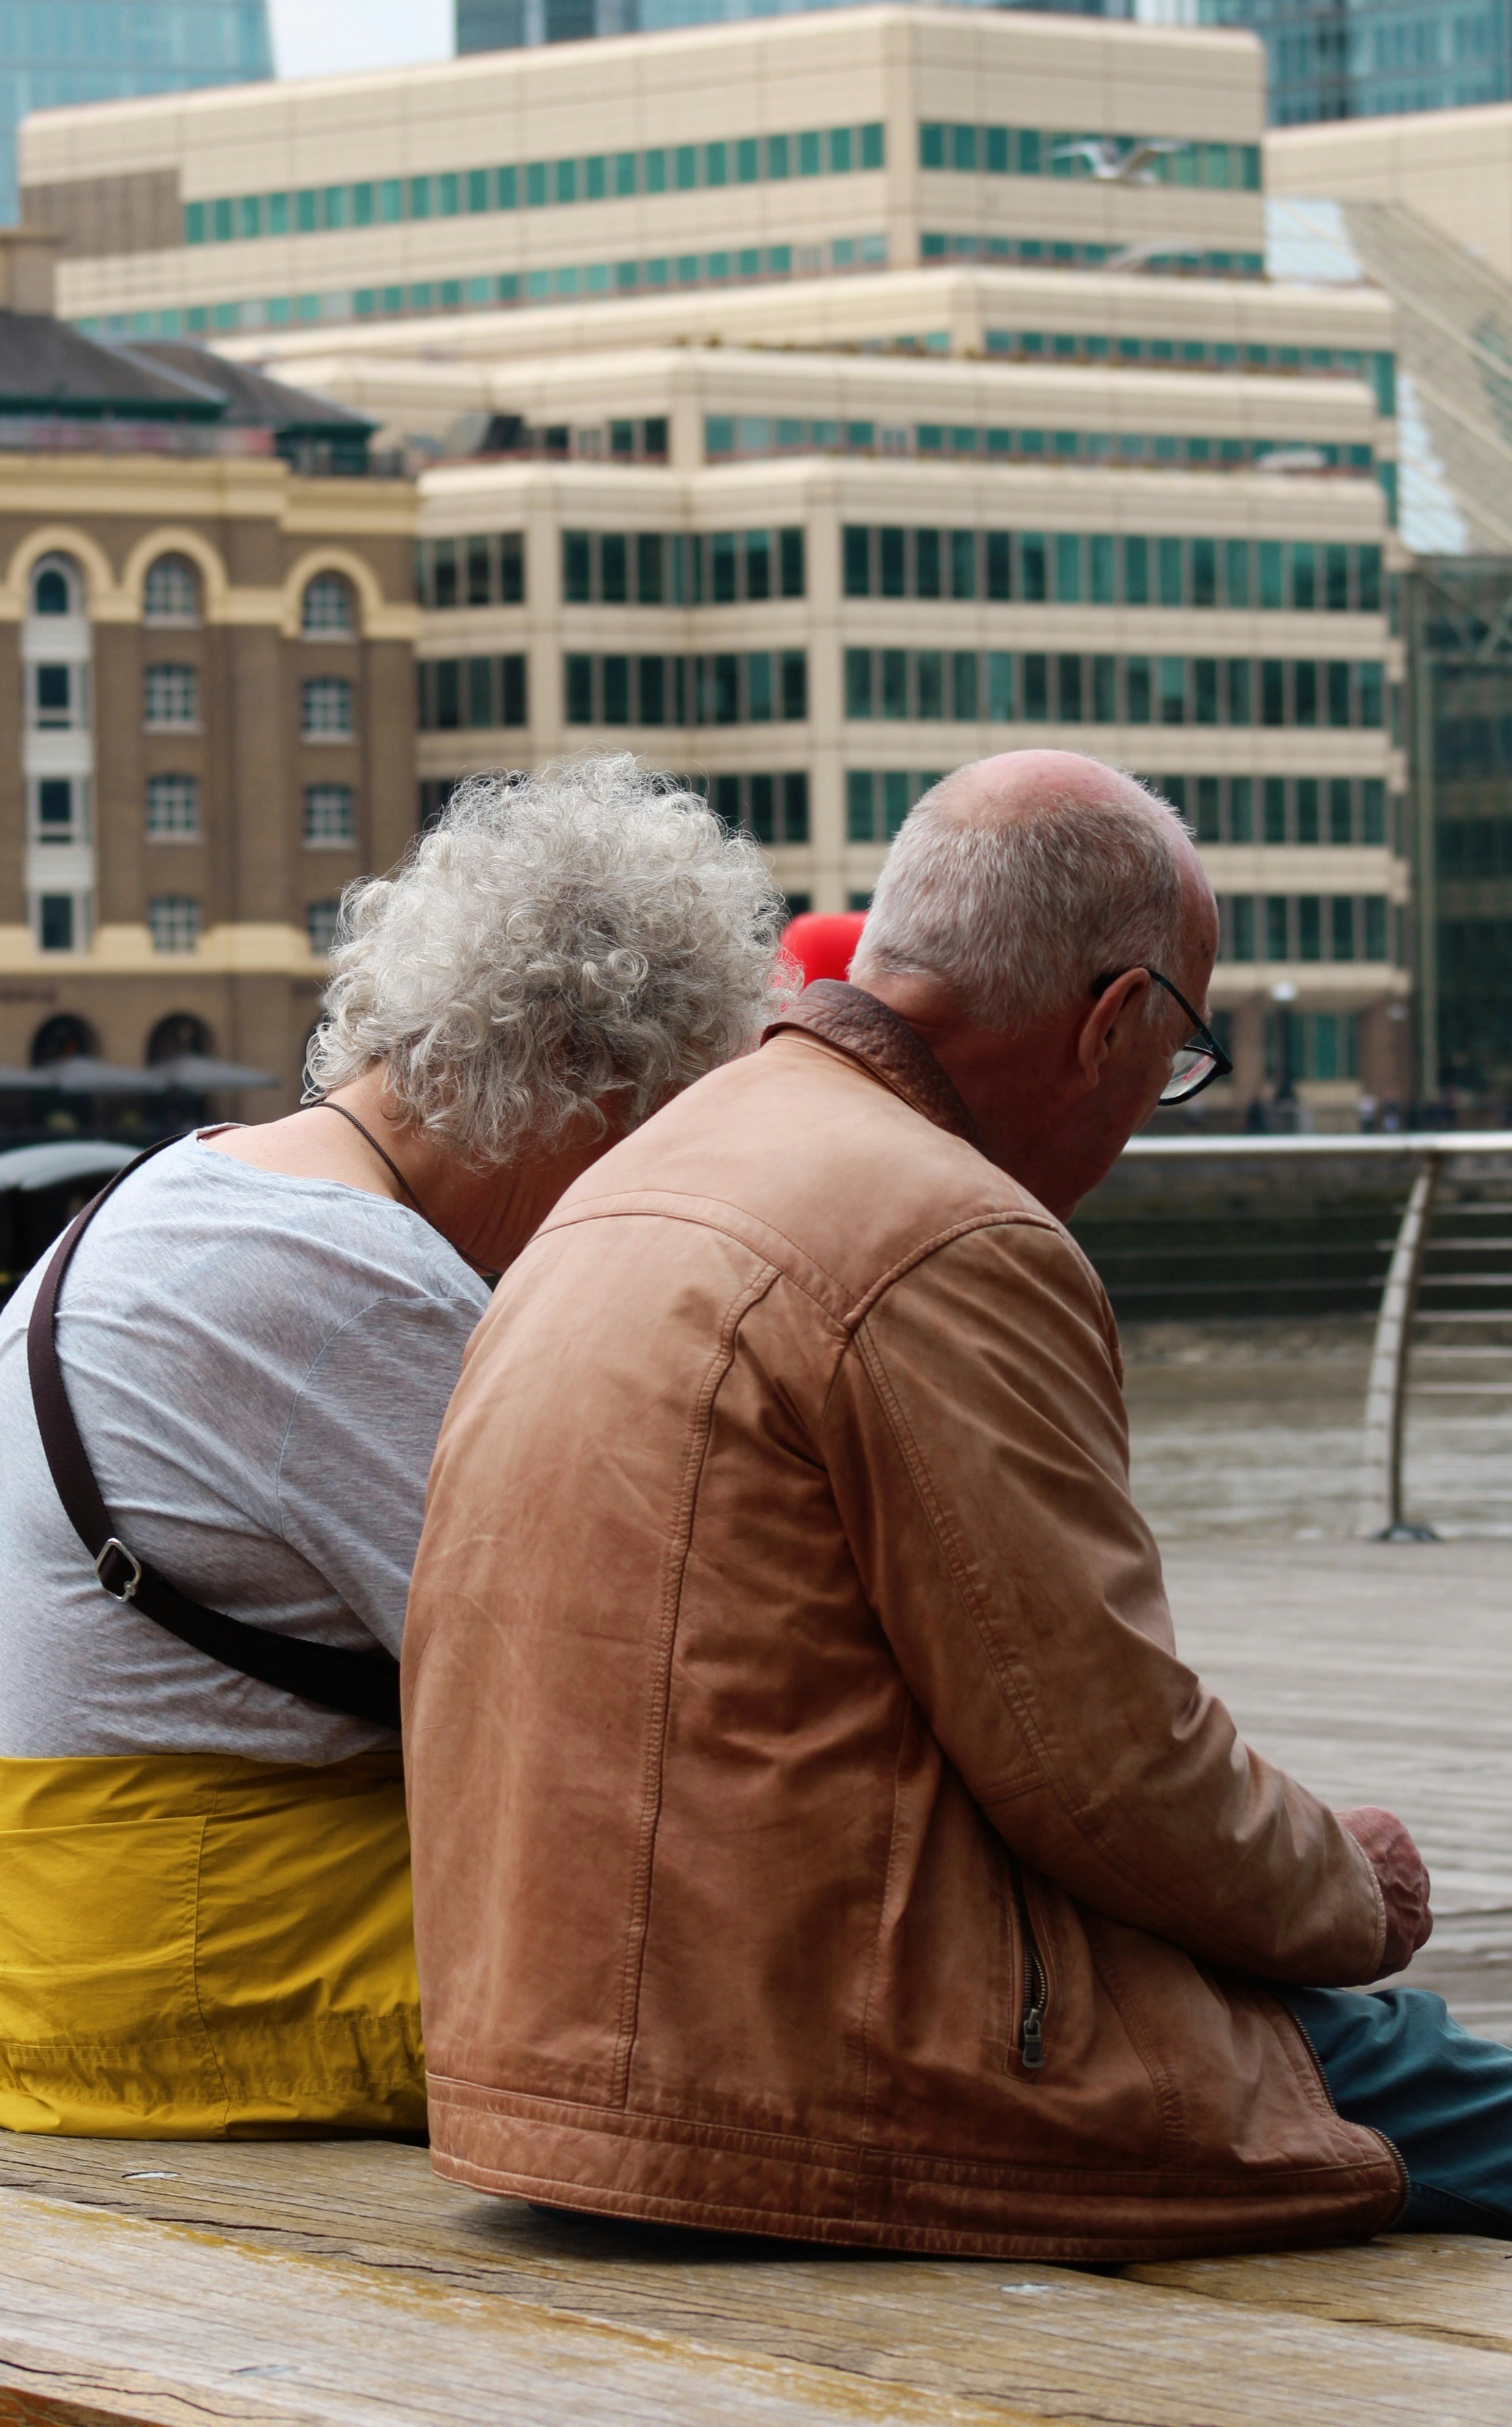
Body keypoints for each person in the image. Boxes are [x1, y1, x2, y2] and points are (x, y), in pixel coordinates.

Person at [405, 751, 1512, 2259]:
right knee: (1445, 2082)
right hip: (827, 2085)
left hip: (551, 2078)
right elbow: (1108, 1774)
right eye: (1173, 1059)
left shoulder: (622, 1185)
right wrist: (1349, 1887)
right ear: (1112, 1020)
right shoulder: (946, 1234)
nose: (1149, 1110)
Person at [0, 757, 788, 2140]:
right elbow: (627, 1693)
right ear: (585, 1091)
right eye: (659, 1140)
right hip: (195, 1987)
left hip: (57, 1955)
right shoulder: (350, 1284)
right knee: (822, 1970)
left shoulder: (197, 1185)